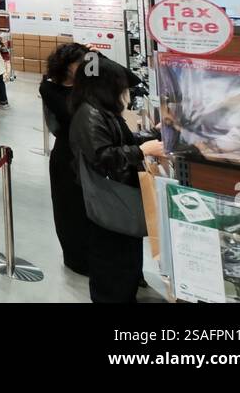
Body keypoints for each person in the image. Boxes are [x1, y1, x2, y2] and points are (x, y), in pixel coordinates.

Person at [69, 53, 164, 303]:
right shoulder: (89, 114)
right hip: (108, 200)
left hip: (117, 198)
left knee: (124, 256)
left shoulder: (101, 111)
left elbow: (120, 140)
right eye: (119, 85)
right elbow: (102, 156)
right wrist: (142, 151)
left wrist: (149, 137)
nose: (124, 91)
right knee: (112, 258)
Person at [39, 43, 94, 275]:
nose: (83, 67)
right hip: (67, 155)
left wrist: (97, 57)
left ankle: (96, 256)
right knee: (68, 209)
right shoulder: (50, 89)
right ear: (65, 64)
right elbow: (72, 117)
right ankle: (77, 259)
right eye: (78, 62)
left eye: (86, 62)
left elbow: (126, 78)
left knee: (91, 208)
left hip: (93, 154)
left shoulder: (88, 84)